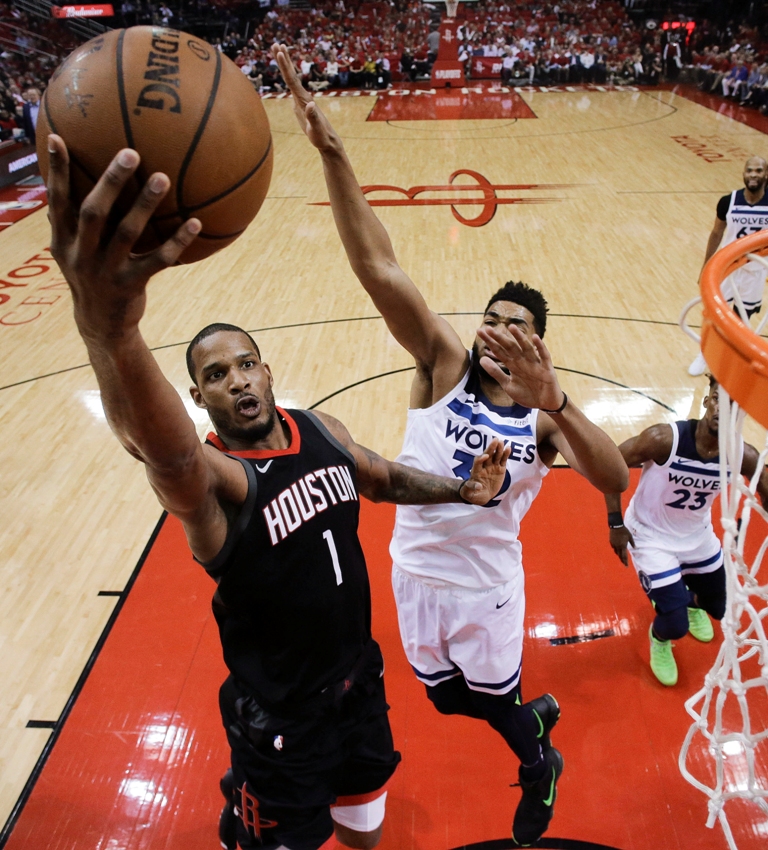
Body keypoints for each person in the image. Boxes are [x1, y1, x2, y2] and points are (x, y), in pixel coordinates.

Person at [43, 136, 511, 850]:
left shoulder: (320, 428)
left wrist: (464, 490)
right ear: (199, 398)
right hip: (283, 725)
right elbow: (163, 451)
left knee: (364, 828)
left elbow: (381, 478)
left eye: (245, 364)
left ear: (267, 372)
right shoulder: (217, 481)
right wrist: (110, 329)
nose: (236, 380)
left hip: (360, 684)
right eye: (215, 375)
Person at [272, 44, 629, 848]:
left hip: (485, 589)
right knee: (439, 697)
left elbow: (612, 475)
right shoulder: (442, 364)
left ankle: (538, 760)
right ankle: (531, 720)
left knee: (497, 701)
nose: (498, 331)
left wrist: (558, 400)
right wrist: (334, 153)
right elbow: (377, 265)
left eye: (517, 326)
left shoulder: (545, 418)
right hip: (412, 568)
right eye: (491, 318)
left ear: (538, 344)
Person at [604, 376, 768, 686]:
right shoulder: (664, 439)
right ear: (707, 401)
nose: (723, 409)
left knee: (717, 607)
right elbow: (611, 465)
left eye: (734, 406)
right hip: (650, 535)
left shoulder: (742, 455)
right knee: (675, 624)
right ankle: (659, 639)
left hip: (697, 536)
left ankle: (689, 603)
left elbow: (765, 486)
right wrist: (615, 522)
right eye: (718, 399)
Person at [689, 156, 768, 376]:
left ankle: (729, 360)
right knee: (713, 315)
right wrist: (706, 267)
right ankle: (704, 354)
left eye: (758, 170)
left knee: (741, 318)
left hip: (755, 271)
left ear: (766, 175)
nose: (753, 174)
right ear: (743, 173)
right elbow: (716, 233)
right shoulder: (728, 201)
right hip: (727, 268)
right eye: (749, 170)